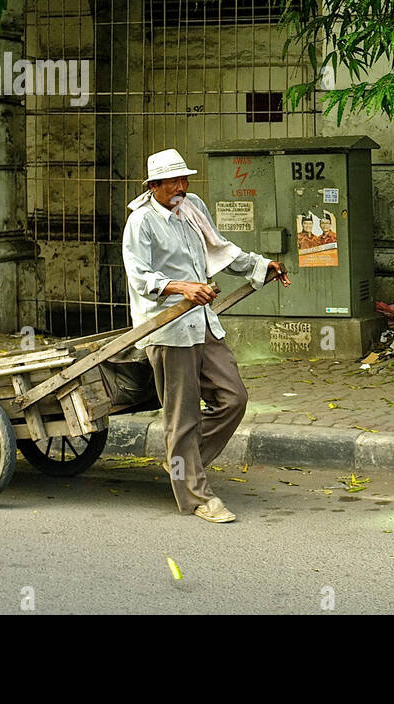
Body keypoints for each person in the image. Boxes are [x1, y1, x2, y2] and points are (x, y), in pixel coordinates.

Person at [122, 148, 291, 523]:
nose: (181, 187)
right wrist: (183, 287)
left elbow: (221, 250)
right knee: (181, 418)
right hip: (167, 327)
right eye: (173, 182)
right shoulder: (142, 222)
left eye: (185, 180)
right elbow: (140, 278)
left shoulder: (191, 206)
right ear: (154, 186)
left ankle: (182, 463)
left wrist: (262, 266)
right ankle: (197, 497)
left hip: (201, 321)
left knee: (234, 397)